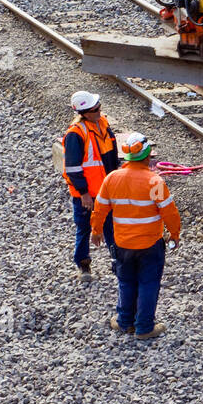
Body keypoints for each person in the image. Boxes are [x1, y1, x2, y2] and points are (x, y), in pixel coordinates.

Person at [92, 133, 180, 340]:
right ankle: (144, 327)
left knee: (126, 281)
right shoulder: (154, 182)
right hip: (150, 243)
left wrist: (96, 230)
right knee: (148, 283)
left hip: (122, 243)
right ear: (148, 156)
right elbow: (169, 212)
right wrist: (174, 234)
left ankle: (124, 322)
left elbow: (100, 208)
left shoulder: (112, 178)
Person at [61, 91, 117, 275]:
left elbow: (111, 158)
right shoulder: (75, 134)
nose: (100, 110)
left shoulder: (103, 125)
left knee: (111, 226)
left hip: (105, 190)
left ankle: (118, 261)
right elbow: (72, 168)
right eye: (96, 108)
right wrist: (84, 192)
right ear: (85, 113)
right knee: (84, 228)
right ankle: (83, 264)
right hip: (86, 194)